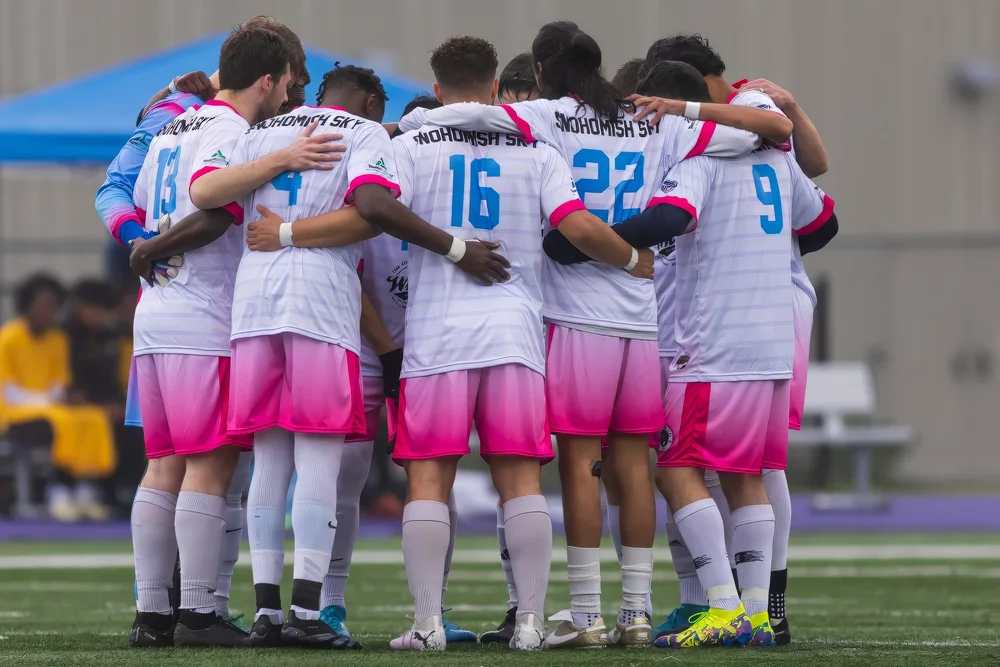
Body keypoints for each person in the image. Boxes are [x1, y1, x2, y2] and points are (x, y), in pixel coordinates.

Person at [396, 20, 782, 648]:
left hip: (576, 315)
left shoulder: (547, 117)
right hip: (643, 317)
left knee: (581, 464)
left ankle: (585, 614)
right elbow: (761, 134)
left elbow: (473, 123)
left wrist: (397, 127)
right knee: (634, 463)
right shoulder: (652, 116)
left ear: (542, 71)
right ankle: (635, 613)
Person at [222, 60, 510, 650]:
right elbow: (371, 210)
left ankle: (267, 613)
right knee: (322, 460)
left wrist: (275, 233)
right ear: (372, 108)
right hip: (321, 303)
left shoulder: (260, 132)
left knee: (270, 460)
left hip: (252, 302)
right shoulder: (363, 132)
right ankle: (310, 610)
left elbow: (212, 197)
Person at [386, 35, 651, 652]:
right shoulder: (535, 144)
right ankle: (530, 624)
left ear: (435, 85)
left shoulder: (414, 135)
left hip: (438, 333)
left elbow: (375, 204)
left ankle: (427, 626)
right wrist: (636, 260)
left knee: (429, 477)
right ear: (498, 85)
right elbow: (577, 226)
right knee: (520, 480)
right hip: (515, 332)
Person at [621, 72, 838, 649]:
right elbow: (821, 224)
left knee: (675, 471)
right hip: (773, 339)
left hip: (713, 343)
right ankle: (759, 612)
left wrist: (596, 244)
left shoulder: (698, 152)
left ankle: (722, 606)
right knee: (750, 478)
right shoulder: (773, 157)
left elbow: (671, 217)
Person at [127, 24, 296, 648]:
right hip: (205, 312)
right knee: (210, 463)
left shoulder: (174, 128)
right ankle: (197, 612)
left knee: (163, 463)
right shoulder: (232, 133)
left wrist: (148, 250)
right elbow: (214, 212)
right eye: (284, 83)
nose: (286, 96)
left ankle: (152, 614)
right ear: (266, 80)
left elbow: (147, 208)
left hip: (157, 312)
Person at [0, 275, 117, 522]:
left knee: (93, 416)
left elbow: (59, 384)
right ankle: (59, 490)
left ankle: (85, 489)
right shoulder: (8, 337)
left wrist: (60, 398)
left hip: (50, 406)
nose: (49, 312)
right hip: (12, 410)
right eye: (44, 305)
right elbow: (8, 391)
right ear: (27, 305)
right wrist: (49, 401)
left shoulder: (58, 339)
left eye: (53, 306)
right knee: (63, 419)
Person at [63, 279, 128, 518]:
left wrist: (115, 403)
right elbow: (67, 378)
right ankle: (73, 488)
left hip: (103, 403)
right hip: (74, 403)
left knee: (128, 423)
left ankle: (118, 492)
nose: (99, 316)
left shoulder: (108, 337)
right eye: (95, 310)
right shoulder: (65, 335)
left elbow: (110, 378)